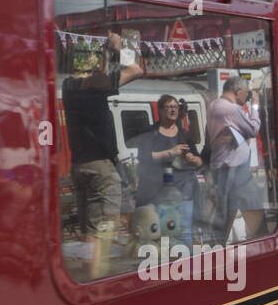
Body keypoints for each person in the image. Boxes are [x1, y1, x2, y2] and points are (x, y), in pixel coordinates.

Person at [61, 30, 142, 239]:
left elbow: (97, 76)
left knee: (89, 230)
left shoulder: (69, 85)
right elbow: (135, 70)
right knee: (103, 235)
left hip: (80, 164)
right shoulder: (96, 84)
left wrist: (104, 55)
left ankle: (90, 268)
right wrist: (119, 48)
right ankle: (100, 270)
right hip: (100, 167)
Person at [134, 95, 203, 245]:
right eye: (169, 107)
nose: (173, 110)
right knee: (163, 234)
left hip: (184, 190)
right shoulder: (151, 133)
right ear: (160, 110)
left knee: (184, 233)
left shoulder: (184, 133)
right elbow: (144, 156)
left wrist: (192, 159)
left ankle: (188, 266)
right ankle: (167, 266)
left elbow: (199, 161)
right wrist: (170, 152)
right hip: (158, 192)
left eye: (175, 107)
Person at [205, 76, 262, 242]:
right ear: (238, 91)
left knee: (230, 209)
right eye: (246, 93)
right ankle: (259, 241)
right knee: (248, 206)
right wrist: (255, 105)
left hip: (227, 165)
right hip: (232, 167)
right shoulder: (230, 109)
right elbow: (253, 129)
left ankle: (219, 244)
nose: (247, 97)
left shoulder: (214, 105)